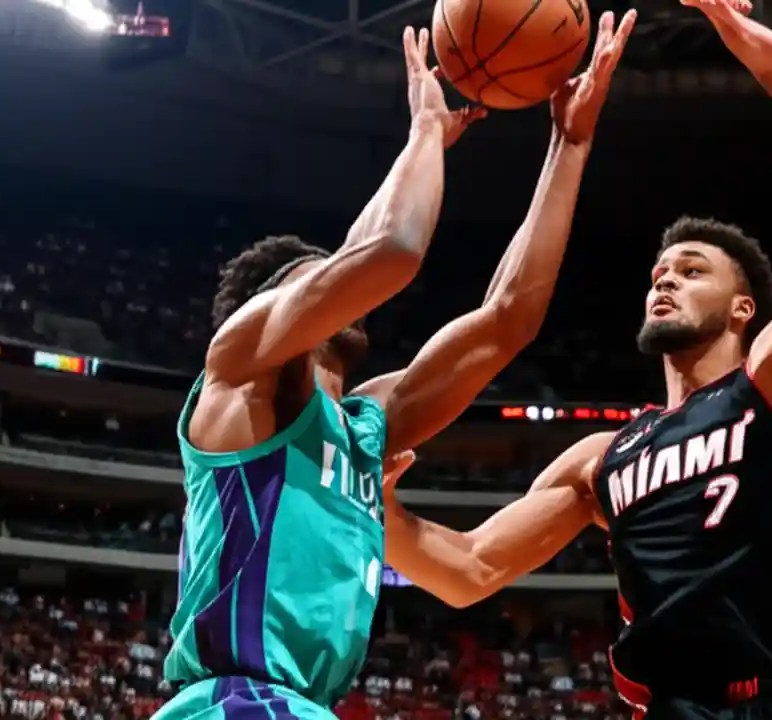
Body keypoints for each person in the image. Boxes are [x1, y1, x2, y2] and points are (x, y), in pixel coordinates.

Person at [381, 2, 772, 719]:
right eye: (660, 271)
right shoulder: (603, 458)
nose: (664, 278)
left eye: (692, 270)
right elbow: (469, 569)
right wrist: (380, 508)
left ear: (743, 309)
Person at [152, 13, 636, 720]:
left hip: (300, 705)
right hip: (233, 700)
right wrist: (425, 134)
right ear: (280, 301)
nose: (344, 289)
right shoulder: (241, 371)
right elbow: (389, 251)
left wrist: (570, 141)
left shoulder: (364, 424)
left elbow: (507, 322)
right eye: (322, 278)